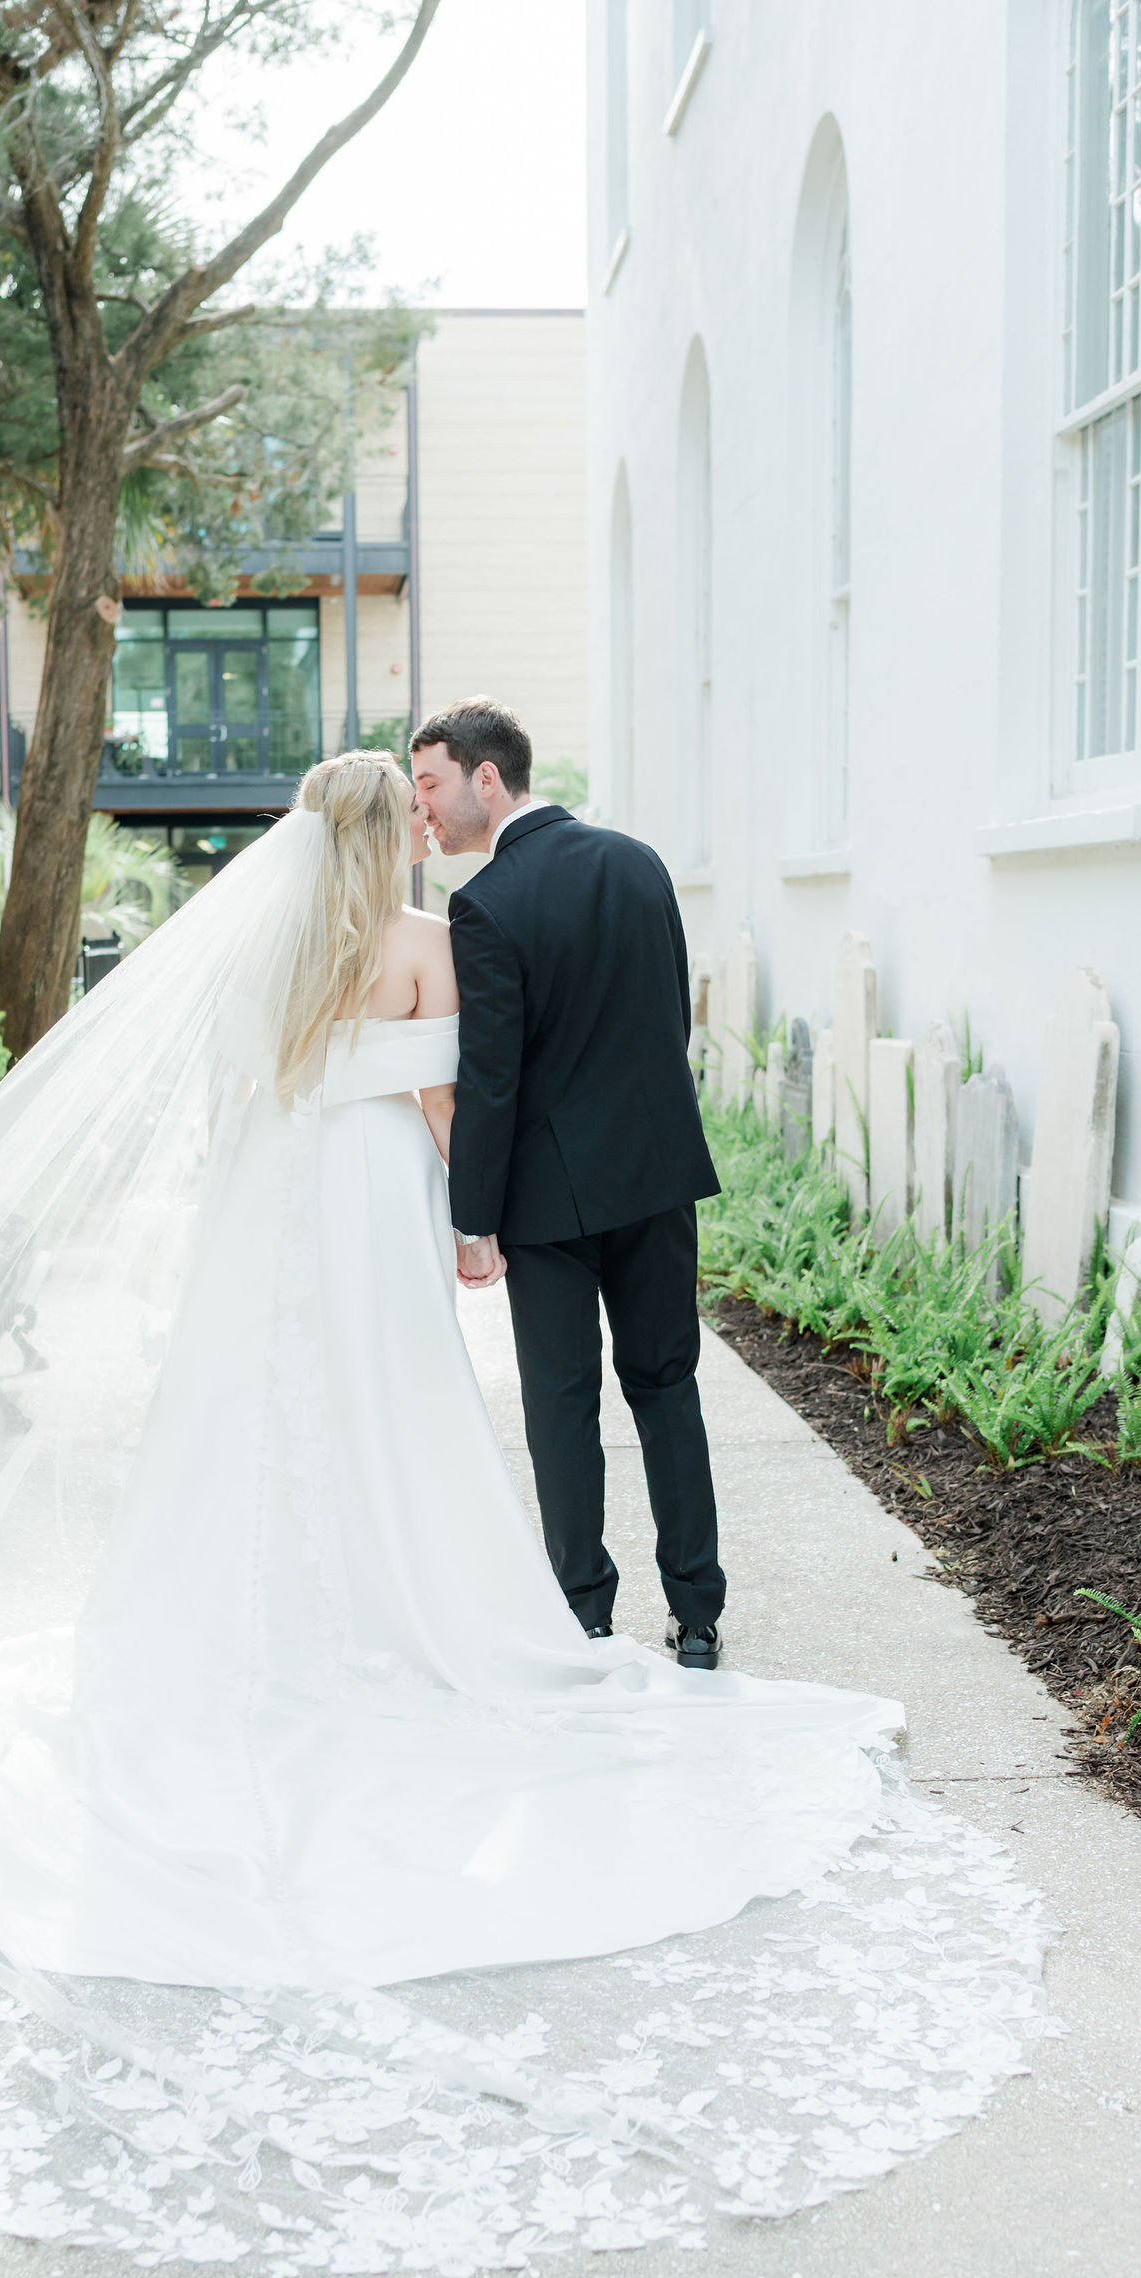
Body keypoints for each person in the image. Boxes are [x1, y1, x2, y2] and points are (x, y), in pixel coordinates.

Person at [0, 748, 1044, 2270]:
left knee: (246, 1433)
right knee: (395, 1419)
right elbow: (436, 1102)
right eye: (408, 812)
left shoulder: (264, 952)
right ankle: (478, 1609)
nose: (427, 821)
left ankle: (236, 1630)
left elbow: (225, 1111)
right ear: (388, 837)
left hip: (273, 1222)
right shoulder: (425, 949)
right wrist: (472, 1229)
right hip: (374, 1217)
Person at [410, 698, 726, 1664]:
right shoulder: (639, 863)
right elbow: (668, 1017)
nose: (424, 812)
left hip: (548, 1201)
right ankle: (699, 1616)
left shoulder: (487, 905)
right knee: (668, 1388)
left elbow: (490, 1080)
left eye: (431, 784)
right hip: (656, 1177)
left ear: (487, 778)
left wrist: (475, 1219)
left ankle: (584, 1608)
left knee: (561, 1402)